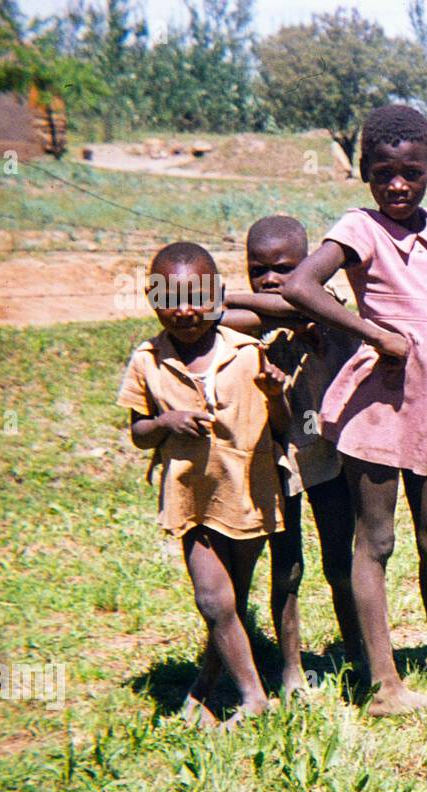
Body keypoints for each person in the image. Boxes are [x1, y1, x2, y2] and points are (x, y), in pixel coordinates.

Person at [283, 105, 427, 716]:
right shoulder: (359, 229)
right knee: (376, 539)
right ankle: (384, 684)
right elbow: (299, 286)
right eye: (384, 174)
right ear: (365, 174)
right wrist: (374, 334)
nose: (397, 186)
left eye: (410, 173)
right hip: (378, 401)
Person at [118, 242, 288, 728]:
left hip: (248, 493)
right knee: (213, 599)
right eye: (170, 297)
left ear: (217, 295)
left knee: (229, 599)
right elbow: (137, 432)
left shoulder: (246, 351)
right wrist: (165, 421)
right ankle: (254, 697)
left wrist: (276, 395)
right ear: (152, 298)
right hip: (193, 496)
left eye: (196, 296)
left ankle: (205, 685)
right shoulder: (148, 360)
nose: (185, 309)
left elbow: (282, 425)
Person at [220, 216, 364, 695]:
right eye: (256, 270)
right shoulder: (252, 323)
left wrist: (240, 297)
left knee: (340, 561)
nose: (269, 280)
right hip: (273, 458)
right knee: (288, 567)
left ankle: (361, 653)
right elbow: (212, 314)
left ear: (311, 268)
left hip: (325, 455)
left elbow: (289, 304)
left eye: (285, 268)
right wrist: (249, 304)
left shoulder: (329, 309)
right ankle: (290, 669)